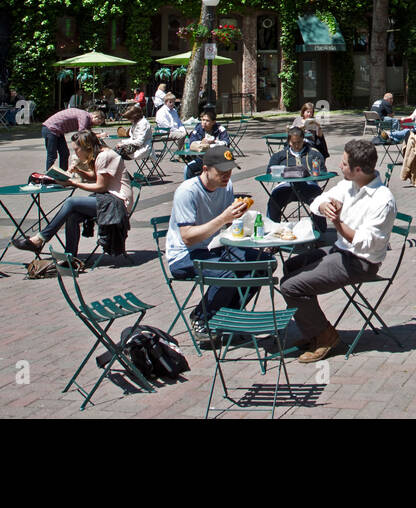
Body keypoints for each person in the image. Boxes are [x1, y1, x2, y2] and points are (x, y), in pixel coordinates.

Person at [279, 139, 397, 363]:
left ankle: (325, 336)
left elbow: (367, 243)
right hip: (340, 250)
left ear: (358, 169)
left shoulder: (383, 200)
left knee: (290, 286)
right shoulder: (350, 184)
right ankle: (312, 328)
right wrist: (324, 206)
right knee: (291, 266)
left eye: (344, 164)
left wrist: (338, 223)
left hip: (360, 262)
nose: (340, 166)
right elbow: (319, 200)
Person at [163, 145, 260, 339]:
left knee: (262, 263)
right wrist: (224, 219)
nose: (227, 175)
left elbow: (226, 225)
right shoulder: (187, 191)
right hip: (184, 254)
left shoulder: (227, 186)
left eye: (230, 170)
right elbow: (188, 237)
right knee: (227, 273)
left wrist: (238, 219)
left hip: (213, 247)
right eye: (222, 171)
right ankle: (202, 317)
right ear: (205, 169)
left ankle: (227, 315)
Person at [13, 129, 134, 255]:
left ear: (86, 147)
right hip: (109, 198)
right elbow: (95, 177)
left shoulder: (105, 156)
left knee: (71, 202)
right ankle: (70, 256)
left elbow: (101, 186)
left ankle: (40, 239)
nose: (75, 153)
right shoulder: (100, 154)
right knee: (72, 216)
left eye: (76, 149)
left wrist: (74, 183)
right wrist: (78, 171)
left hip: (118, 201)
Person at [266, 120, 328, 227]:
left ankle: (319, 230)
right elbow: (269, 173)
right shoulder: (279, 156)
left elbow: (323, 172)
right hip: (285, 186)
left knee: (319, 200)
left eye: (299, 142)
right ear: (289, 141)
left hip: (308, 186)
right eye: (293, 143)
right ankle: (272, 228)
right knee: (274, 199)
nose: (296, 145)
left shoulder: (313, 154)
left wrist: (313, 174)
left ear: (303, 140)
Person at [41, 106, 105, 170]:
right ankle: (48, 176)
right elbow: (82, 134)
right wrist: (98, 135)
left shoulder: (87, 118)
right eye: (98, 122)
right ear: (96, 117)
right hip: (50, 129)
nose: (98, 124)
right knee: (52, 155)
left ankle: (63, 175)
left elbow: (88, 133)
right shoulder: (85, 116)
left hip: (58, 131)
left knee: (65, 154)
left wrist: (98, 135)